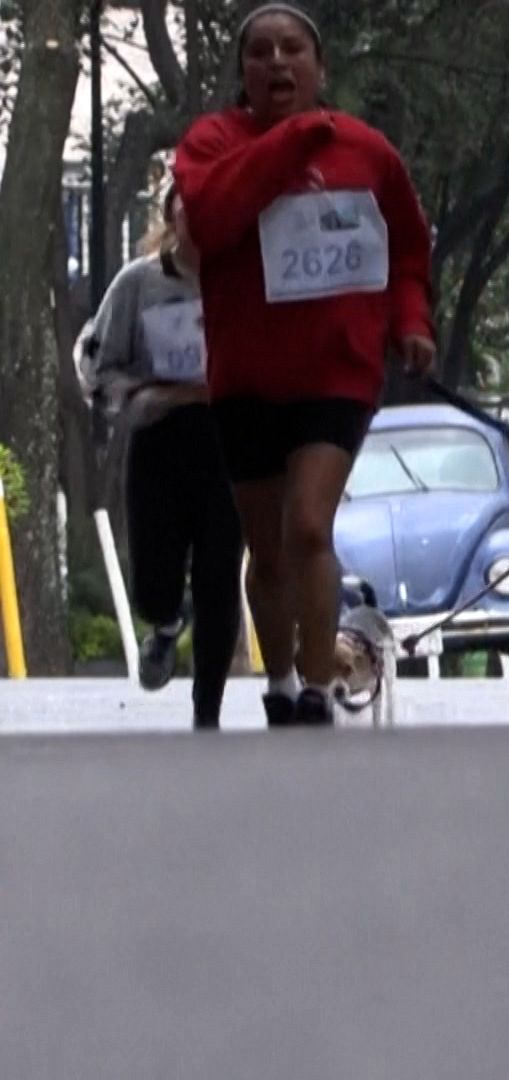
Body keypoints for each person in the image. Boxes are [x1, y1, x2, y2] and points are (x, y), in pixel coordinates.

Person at [172, 2, 435, 727]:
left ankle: (319, 689)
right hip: (247, 373)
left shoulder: (366, 150)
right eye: (261, 52)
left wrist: (411, 322)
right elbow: (215, 215)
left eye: (294, 50)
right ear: (242, 72)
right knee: (267, 546)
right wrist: (290, 141)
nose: (278, 63)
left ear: (320, 68)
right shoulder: (211, 142)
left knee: (309, 528)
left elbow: (409, 250)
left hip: (337, 370)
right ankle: (281, 679)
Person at [76, 186, 243, 730]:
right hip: (159, 441)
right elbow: (96, 361)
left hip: (226, 443)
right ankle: (166, 625)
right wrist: (150, 395)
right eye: (188, 204)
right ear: (172, 212)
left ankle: (207, 710)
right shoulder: (140, 282)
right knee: (154, 574)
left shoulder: (243, 281)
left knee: (220, 574)